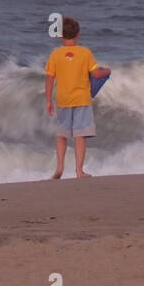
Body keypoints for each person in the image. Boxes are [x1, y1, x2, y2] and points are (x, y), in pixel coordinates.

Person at [44, 16, 110, 179]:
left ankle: (59, 168)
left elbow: (49, 78)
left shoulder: (55, 54)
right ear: (78, 34)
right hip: (82, 100)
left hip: (63, 100)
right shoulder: (85, 53)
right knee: (80, 136)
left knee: (61, 134)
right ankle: (79, 171)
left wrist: (48, 101)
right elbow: (96, 73)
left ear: (60, 36)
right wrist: (107, 71)